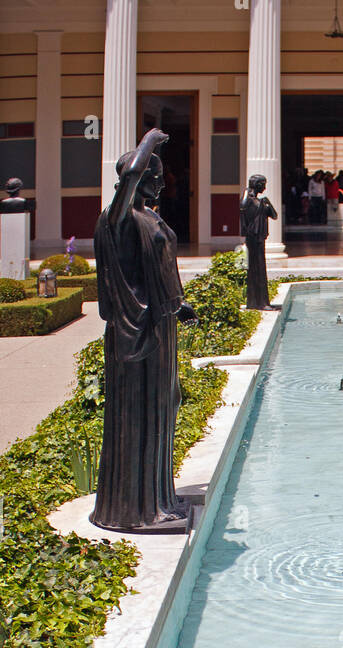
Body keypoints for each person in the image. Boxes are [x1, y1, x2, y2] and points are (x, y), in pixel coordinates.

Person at [91, 127, 197, 532]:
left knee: (161, 408)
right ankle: (136, 510)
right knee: (140, 412)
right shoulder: (116, 217)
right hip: (135, 333)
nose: (161, 183)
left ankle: (160, 497)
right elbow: (132, 173)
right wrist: (150, 140)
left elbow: (155, 267)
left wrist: (178, 303)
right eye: (155, 177)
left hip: (160, 325)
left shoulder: (149, 216)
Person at [240, 173, 278, 309]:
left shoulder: (261, 202)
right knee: (256, 270)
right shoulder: (249, 199)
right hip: (253, 238)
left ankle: (260, 302)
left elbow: (274, 216)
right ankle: (258, 303)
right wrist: (246, 191)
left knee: (260, 269)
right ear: (257, 185)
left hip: (260, 238)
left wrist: (268, 202)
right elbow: (242, 206)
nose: (265, 188)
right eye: (263, 185)